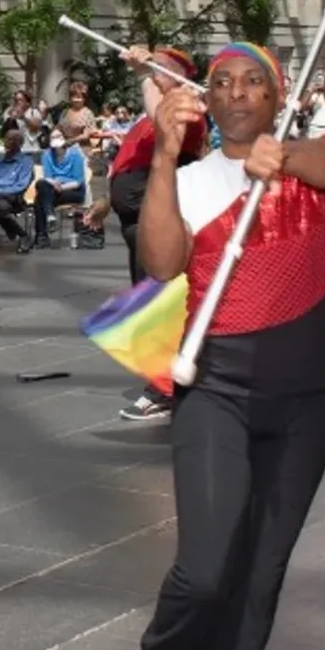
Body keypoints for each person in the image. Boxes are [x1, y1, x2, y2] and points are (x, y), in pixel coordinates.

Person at [114, 44, 325, 650]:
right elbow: (159, 264)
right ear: (206, 100)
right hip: (216, 394)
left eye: (253, 79)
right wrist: (161, 151)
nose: (236, 90)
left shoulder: (305, 164)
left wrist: (283, 159)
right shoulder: (191, 181)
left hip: (302, 407)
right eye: (221, 81)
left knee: (258, 586)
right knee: (204, 571)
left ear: (275, 93)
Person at [107, 49, 207, 426]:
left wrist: (141, 74)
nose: (155, 74)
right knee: (150, 304)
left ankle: (164, 388)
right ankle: (165, 383)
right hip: (135, 220)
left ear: (184, 78)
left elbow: (160, 119)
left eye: (163, 70)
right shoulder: (154, 111)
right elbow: (133, 160)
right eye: (155, 68)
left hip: (157, 228)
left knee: (157, 307)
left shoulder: (185, 111)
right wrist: (107, 200)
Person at [33, 128, 88, 249]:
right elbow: (48, 177)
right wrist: (52, 183)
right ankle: (50, 216)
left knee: (40, 200)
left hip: (73, 190)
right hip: (52, 190)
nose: (56, 139)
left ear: (64, 137)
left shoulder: (75, 154)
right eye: (53, 137)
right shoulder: (47, 154)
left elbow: (78, 182)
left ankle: (41, 236)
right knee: (41, 184)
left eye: (59, 136)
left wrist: (60, 187)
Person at [0, 127, 37, 252]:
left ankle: (23, 235)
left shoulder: (26, 162)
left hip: (13, 197)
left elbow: (20, 186)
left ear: (20, 143)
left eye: (12, 140)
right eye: (6, 139)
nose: (7, 142)